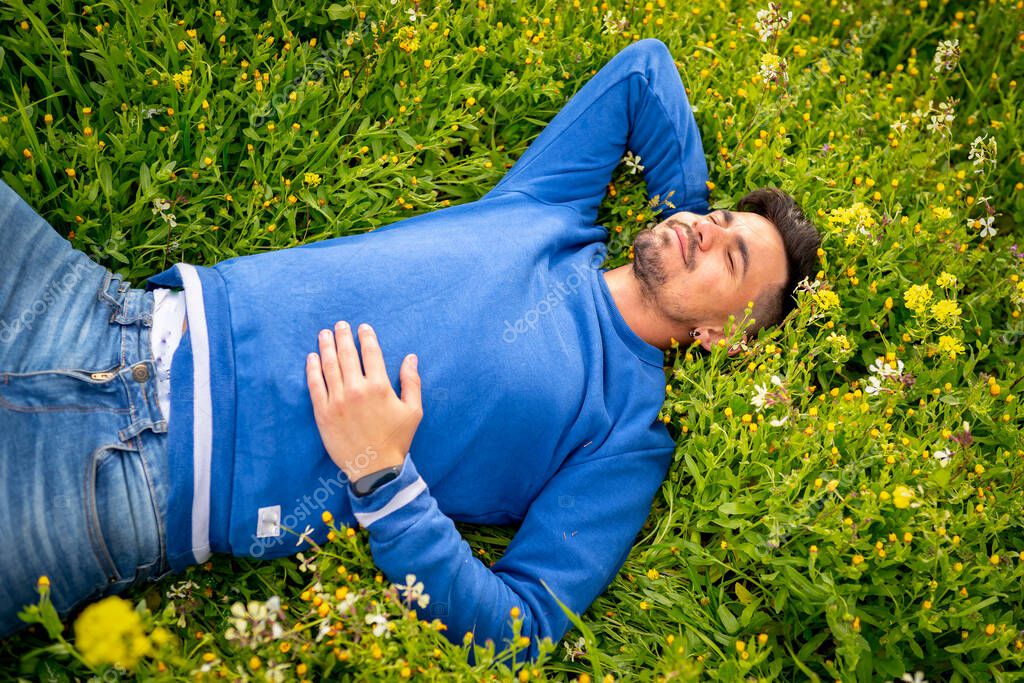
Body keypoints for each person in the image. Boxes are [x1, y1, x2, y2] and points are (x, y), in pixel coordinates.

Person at [0, 37, 821, 657]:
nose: (703, 234)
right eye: (714, 222)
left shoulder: (627, 434)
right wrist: (690, 219)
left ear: (722, 338)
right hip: (99, 310)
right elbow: (647, 70)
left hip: (131, 484)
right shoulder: (555, 214)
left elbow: (521, 625)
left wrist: (383, 479)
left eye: (732, 258)